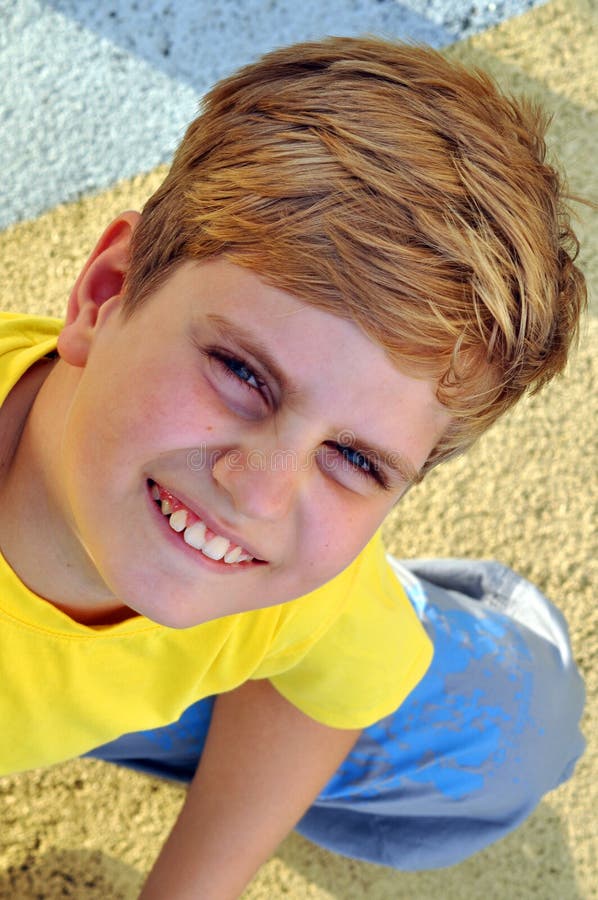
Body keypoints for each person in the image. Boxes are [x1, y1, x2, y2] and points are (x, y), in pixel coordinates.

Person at [0, 36, 587, 898]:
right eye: (242, 374)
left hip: (172, 600)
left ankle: (421, 605)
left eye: (356, 459)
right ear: (104, 294)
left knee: (520, 732)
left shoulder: (270, 547)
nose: (261, 491)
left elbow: (316, 690)